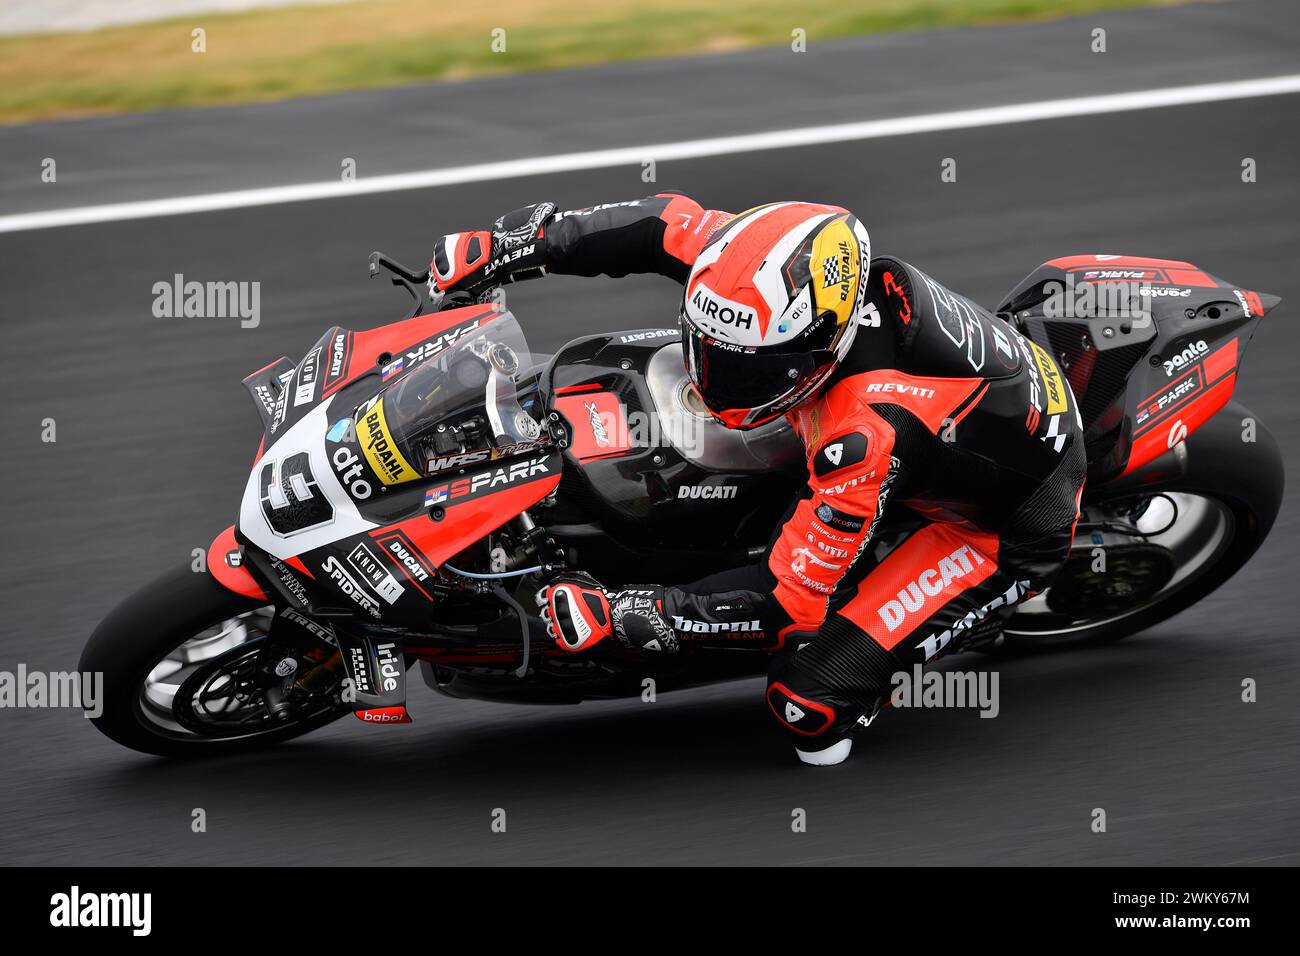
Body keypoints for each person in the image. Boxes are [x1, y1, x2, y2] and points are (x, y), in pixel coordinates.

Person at [427, 193, 1085, 765]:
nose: (717, 382)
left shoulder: (863, 434)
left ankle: (950, 629)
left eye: (746, 369)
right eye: (709, 349)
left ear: (820, 348)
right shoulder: (752, 267)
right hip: (952, 417)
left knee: (808, 705)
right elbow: (658, 224)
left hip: (993, 528)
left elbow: (783, 602)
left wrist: (628, 612)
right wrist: (519, 244)